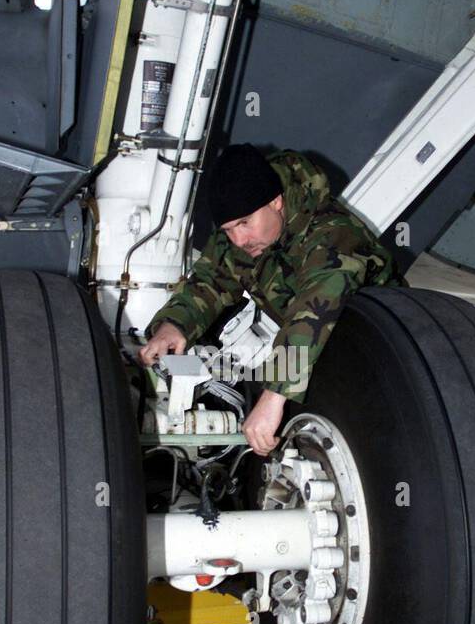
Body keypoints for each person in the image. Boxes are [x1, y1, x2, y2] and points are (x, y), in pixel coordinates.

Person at [138, 143, 405, 455]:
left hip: (385, 357)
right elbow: (210, 282)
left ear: (276, 201)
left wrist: (273, 396)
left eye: (243, 224)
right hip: (319, 358)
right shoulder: (245, 233)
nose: (238, 239)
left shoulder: (333, 236)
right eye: (227, 230)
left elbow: (313, 312)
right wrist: (174, 325)